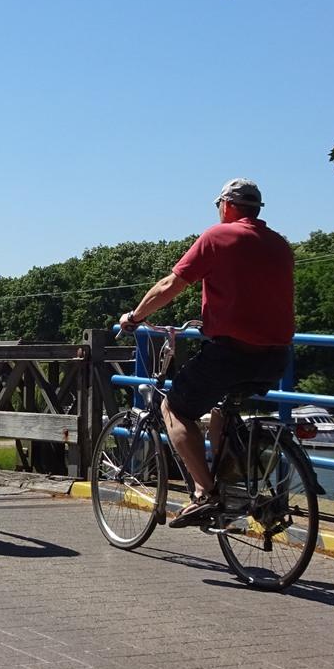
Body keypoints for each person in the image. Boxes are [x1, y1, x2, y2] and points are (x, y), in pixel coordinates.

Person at [120, 178, 294, 527]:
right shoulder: (280, 245)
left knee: (175, 408)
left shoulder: (217, 237)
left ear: (226, 206)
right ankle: (233, 490)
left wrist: (135, 317)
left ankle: (205, 492)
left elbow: (171, 284)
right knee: (220, 408)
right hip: (276, 356)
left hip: (231, 354)